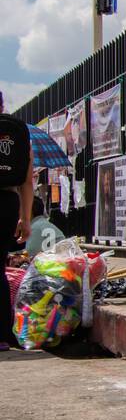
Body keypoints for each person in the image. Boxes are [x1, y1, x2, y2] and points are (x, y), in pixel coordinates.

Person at [0, 107, 34, 351]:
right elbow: (27, 179)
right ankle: (3, 335)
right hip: (7, 203)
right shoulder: (17, 129)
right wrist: (25, 217)